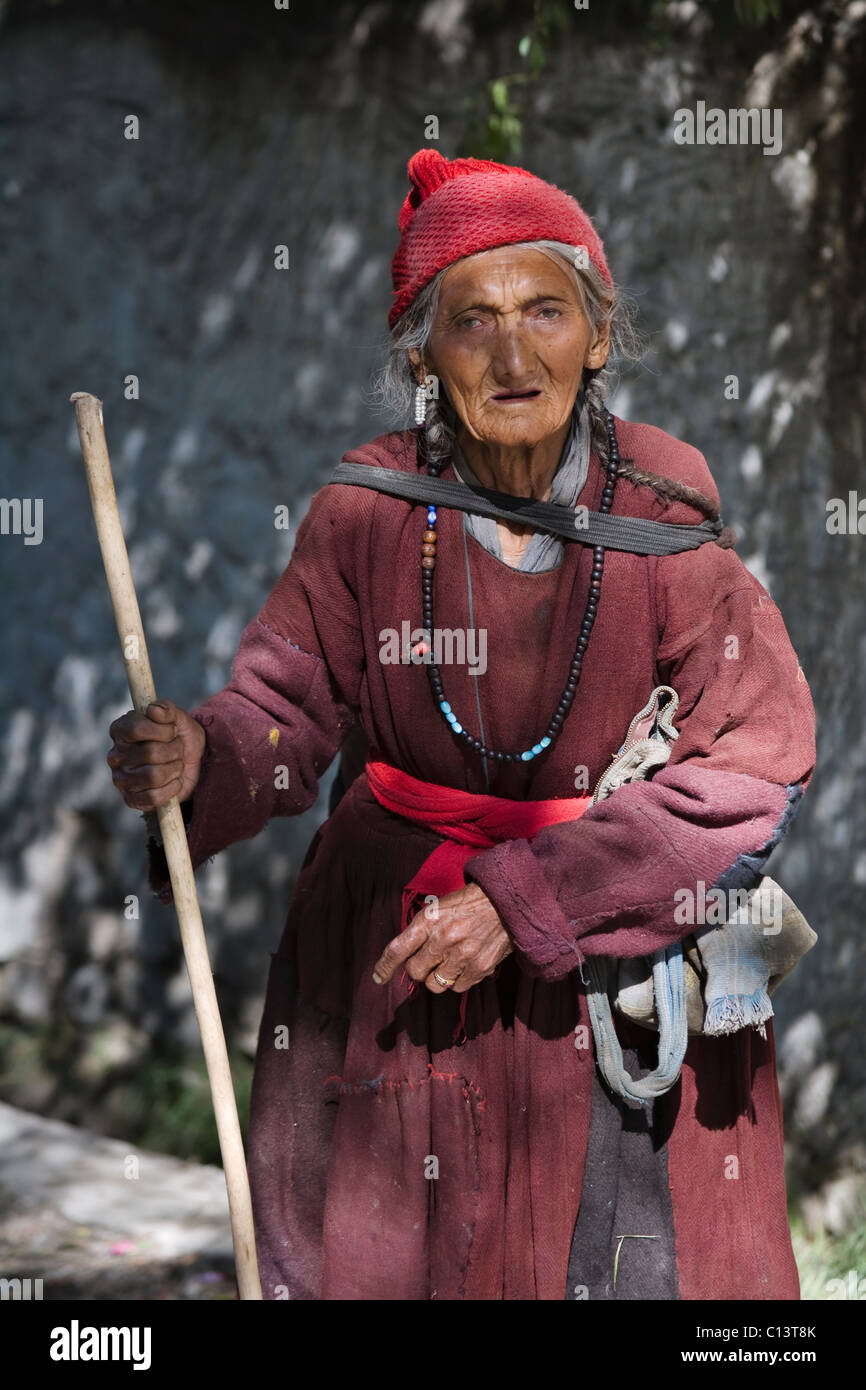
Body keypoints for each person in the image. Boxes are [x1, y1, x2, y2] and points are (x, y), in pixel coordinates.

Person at [107, 149, 816, 1300]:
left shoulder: (666, 526)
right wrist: (206, 755)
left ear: (595, 337)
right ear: (422, 357)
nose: (509, 348)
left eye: (544, 309)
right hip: (397, 958)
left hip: (601, 953)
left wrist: (524, 895)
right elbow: (281, 709)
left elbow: (746, 768)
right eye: (468, 320)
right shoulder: (365, 515)